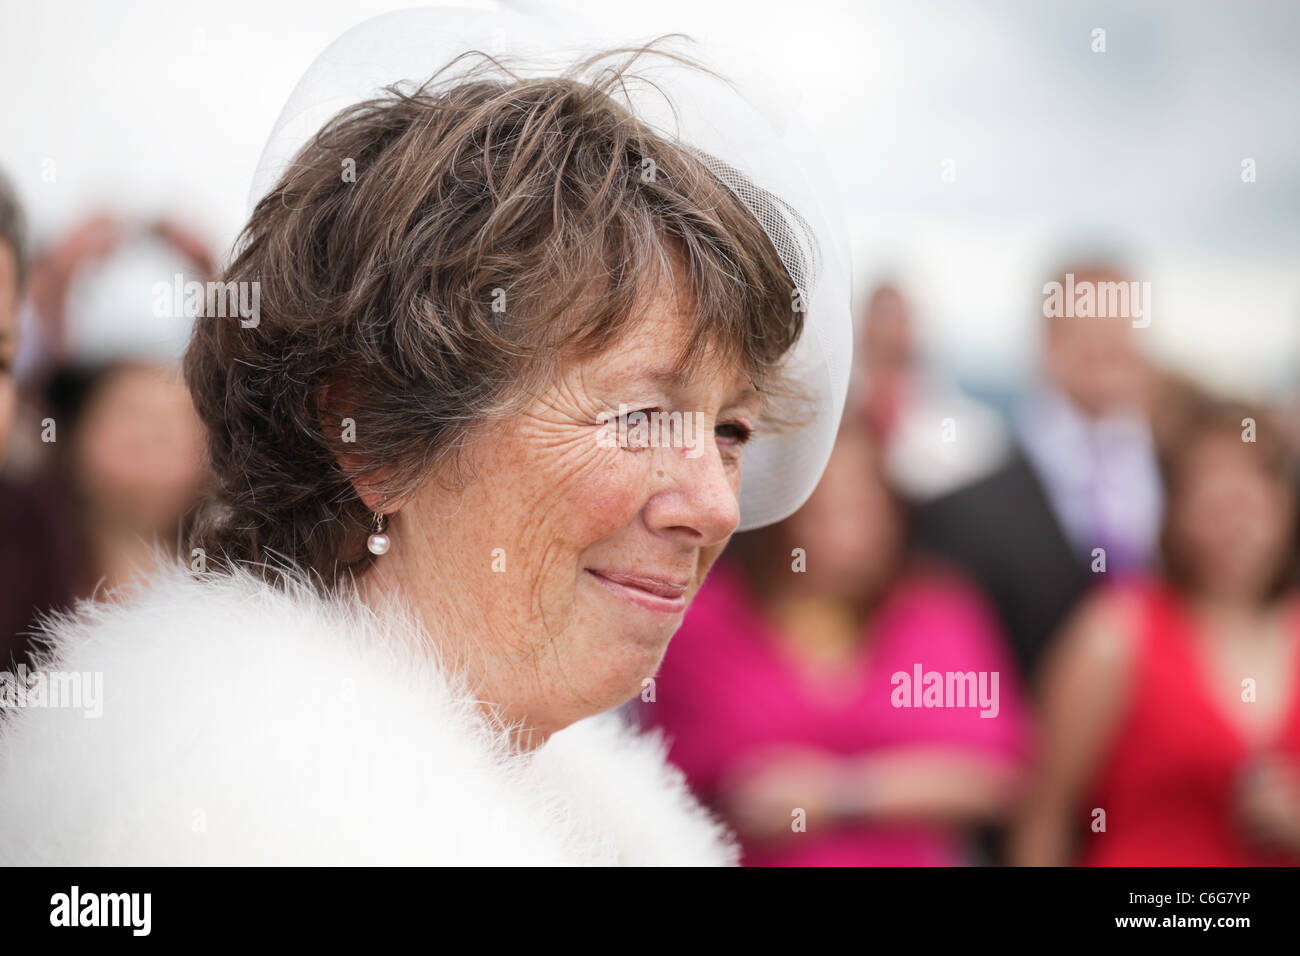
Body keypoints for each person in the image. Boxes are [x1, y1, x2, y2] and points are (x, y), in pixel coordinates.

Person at [0, 19, 852, 865]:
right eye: (638, 418)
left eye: (732, 430)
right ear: (372, 436)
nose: (716, 503)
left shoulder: (553, 810)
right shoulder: (222, 829)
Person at [642, 418, 1029, 865]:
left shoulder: (936, 613)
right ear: (783, 512)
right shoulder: (705, 619)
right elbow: (668, 771)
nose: (852, 534)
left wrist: (839, 794)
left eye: (868, 509)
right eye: (827, 510)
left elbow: (999, 775)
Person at [1013, 401, 1300, 865]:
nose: (1234, 521)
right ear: (1175, 511)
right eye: (1212, 498)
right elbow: (1045, 815)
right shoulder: (1118, 631)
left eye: (1251, 496)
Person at [915, 262, 1162, 684]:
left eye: (1122, 324)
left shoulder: (1181, 481)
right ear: (1048, 342)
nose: (1110, 342)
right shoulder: (965, 511)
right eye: (1090, 326)